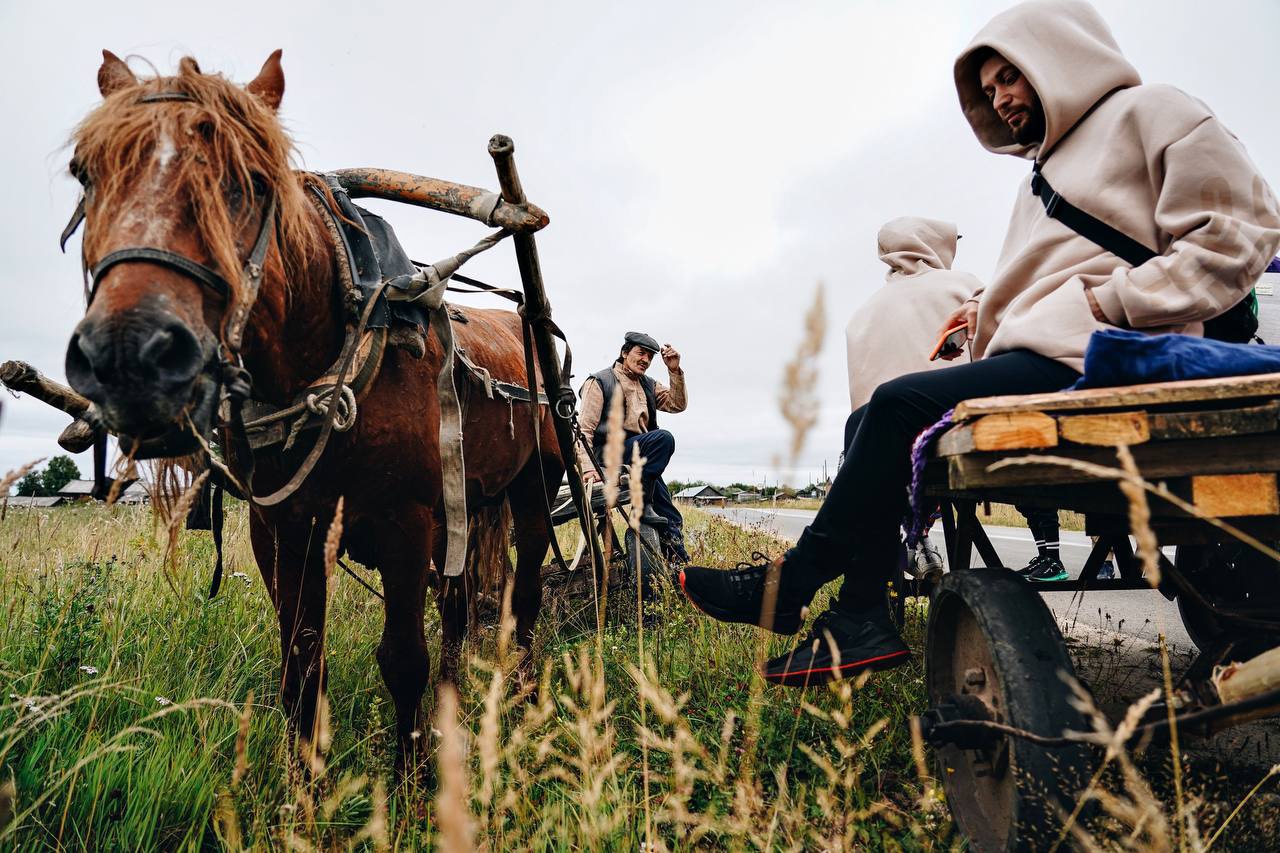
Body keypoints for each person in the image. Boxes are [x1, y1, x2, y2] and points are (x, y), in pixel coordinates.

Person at [680, 0, 1280, 687]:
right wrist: (983, 311)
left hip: (1103, 357)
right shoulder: (1041, 177)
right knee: (866, 418)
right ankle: (857, 614)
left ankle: (791, 585)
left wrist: (1110, 304)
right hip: (1048, 353)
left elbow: (1238, 232)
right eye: (988, 88)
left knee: (897, 402)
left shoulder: (1154, 110)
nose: (999, 97)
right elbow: (1050, 280)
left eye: (1009, 77)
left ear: (1057, 57)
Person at [846, 216, 982, 580]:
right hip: (952, 427)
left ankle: (900, 552)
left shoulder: (863, 312)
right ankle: (919, 539)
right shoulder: (963, 285)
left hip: (879, 444)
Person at [578, 331, 691, 564]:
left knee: (670, 514)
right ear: (624, 353)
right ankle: (644, 505)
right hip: (608, 454)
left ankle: (678, 565)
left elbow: (677, 404)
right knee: (663, 439)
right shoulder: (599, 381)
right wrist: (589, 470)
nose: (645, 360)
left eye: (650, 357)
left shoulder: (648, 384)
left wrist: (673, 370)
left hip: (640, 457)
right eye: (640, 353)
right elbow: (584, 432)